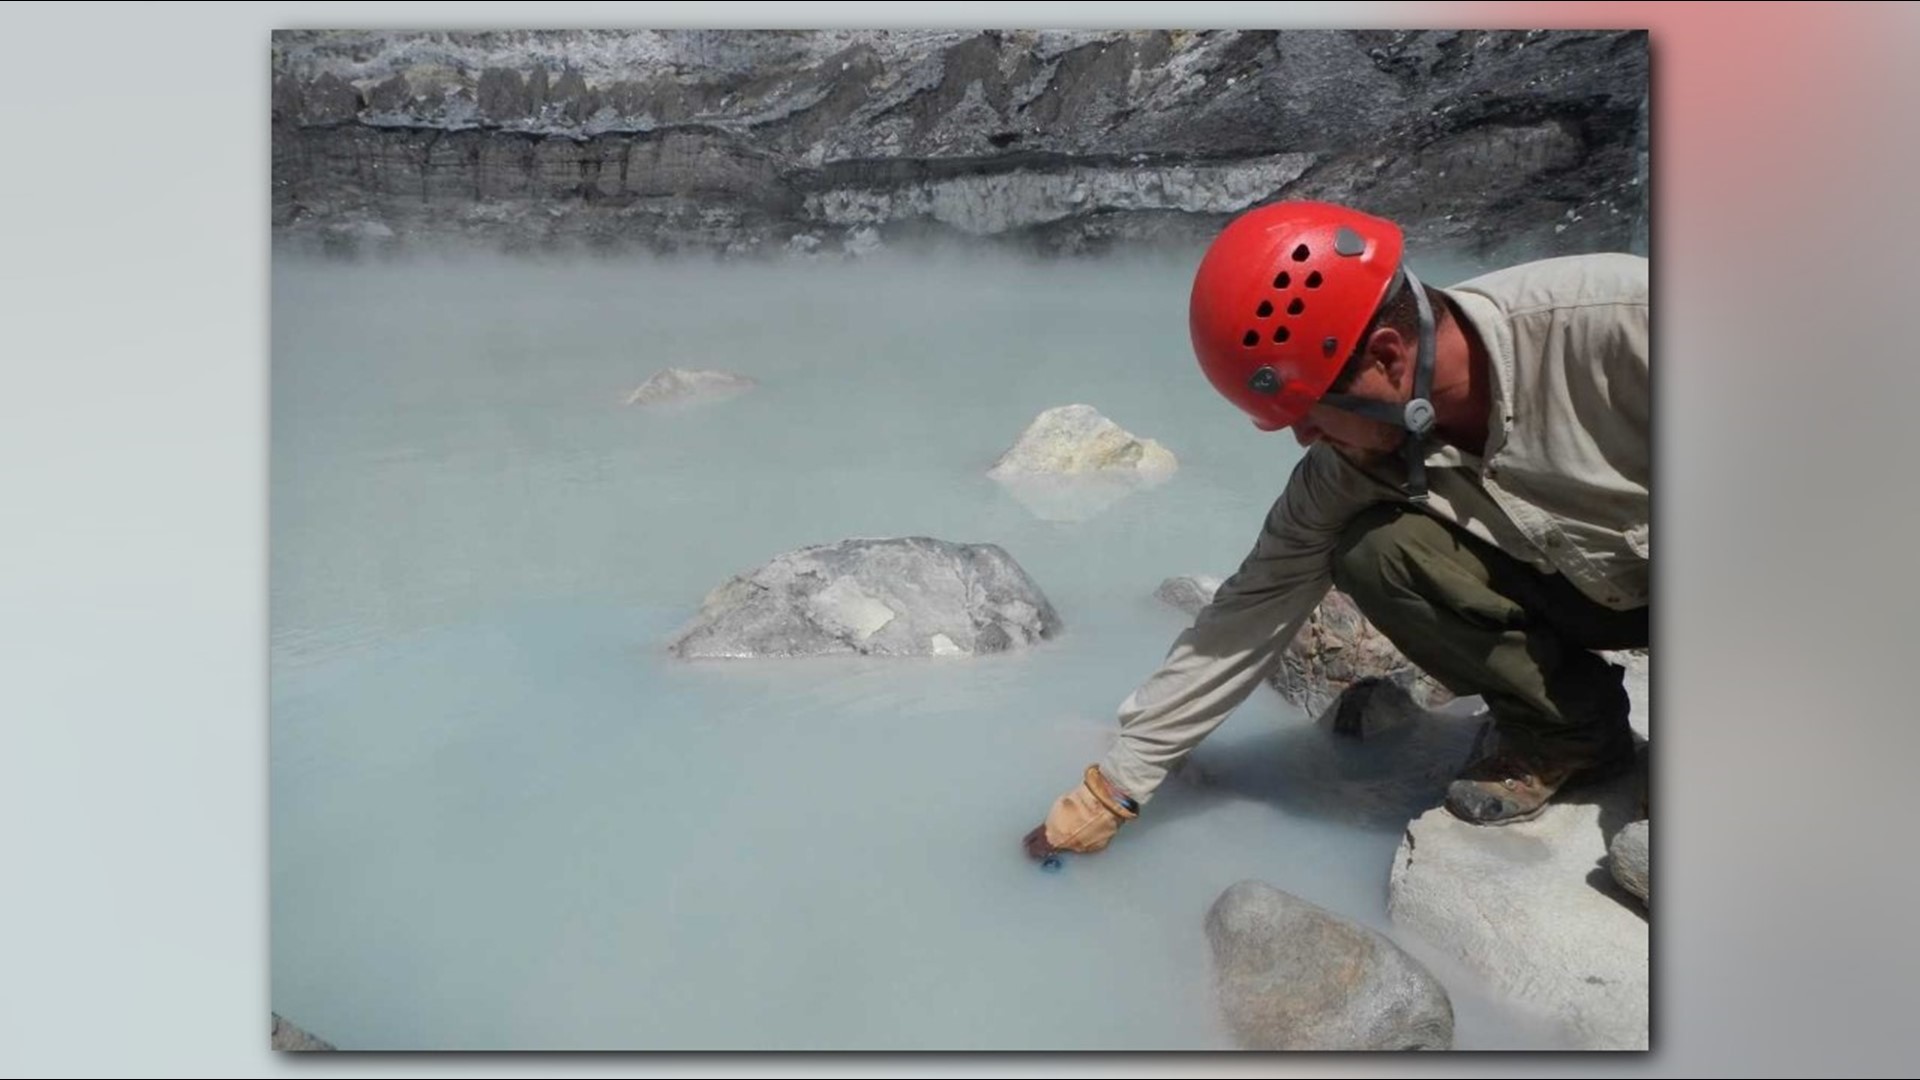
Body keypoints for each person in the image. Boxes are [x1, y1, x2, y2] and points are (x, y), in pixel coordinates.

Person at [1024, 199, 1649, 860]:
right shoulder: (1355, 463)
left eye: (1312, 413)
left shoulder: (1622, 329)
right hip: (1600, 590)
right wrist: (1113, 789)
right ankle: (1569, 735)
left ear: (1386, 357)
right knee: (1378, 551)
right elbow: (1248, 612)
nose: (1302, 437)